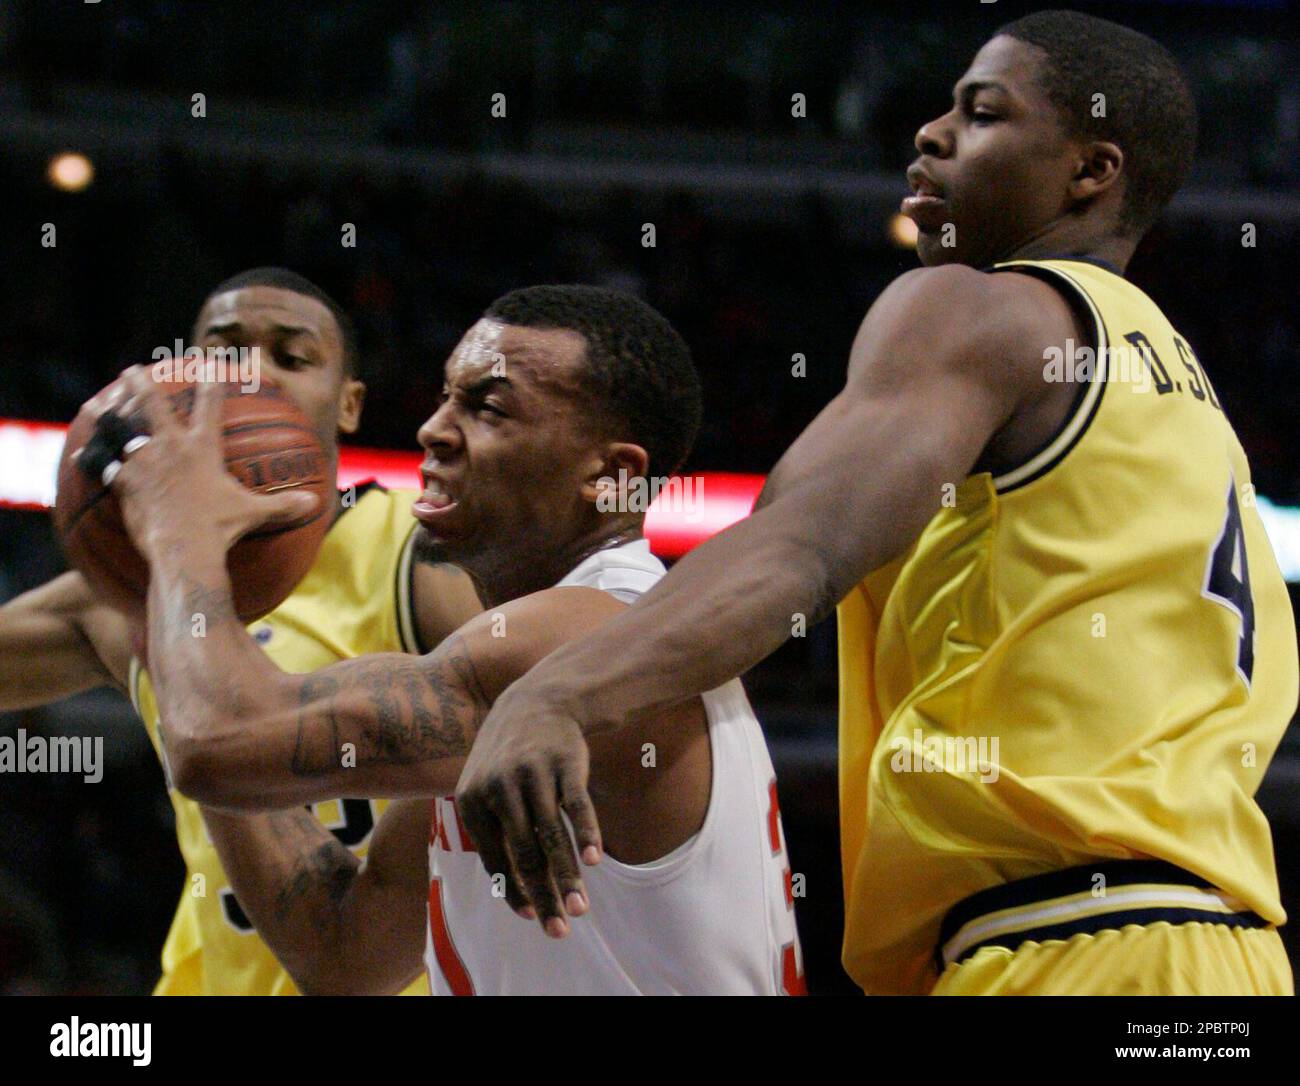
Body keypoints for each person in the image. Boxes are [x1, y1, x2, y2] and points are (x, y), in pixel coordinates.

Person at [452, 11, 1299, 996]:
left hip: (1071, 942)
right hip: (1223, 961)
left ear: (1089, 171)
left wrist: (554, 692)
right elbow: (791, 531)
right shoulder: (1188, 399)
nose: (929, 134)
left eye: (980, 115)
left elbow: (794, 552)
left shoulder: (985, 309)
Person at [93, 285, 805, 996]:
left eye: (488, 408)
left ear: (612, 475)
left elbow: (216, 741)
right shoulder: (542, 669)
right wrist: (169, 602)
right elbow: (346, 954)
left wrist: (178, 537)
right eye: (446, 396)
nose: (434, 429)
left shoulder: (584, 637)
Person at [0, 267, 482, 994]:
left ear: (348, 405)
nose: (249, 373)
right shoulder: (133, 588)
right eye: (223, 354)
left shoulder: (414, 559)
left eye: (292, 357)